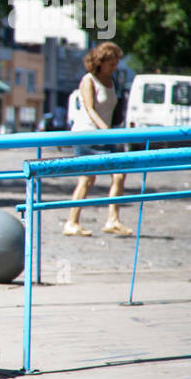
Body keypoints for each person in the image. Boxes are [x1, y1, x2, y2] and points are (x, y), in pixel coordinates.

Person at [63, 41, 133, 236]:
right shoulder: (89, 80)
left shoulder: (112, 82)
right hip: (87, 133)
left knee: (119, 175)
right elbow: (89, 108)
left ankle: (113, 219)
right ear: (100, 62)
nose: (114, 67)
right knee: (87, 178)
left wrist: (111, 130)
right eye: (111, 63)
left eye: (116, 63)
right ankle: (71, 222)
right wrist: (105, 130)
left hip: (106, 133)